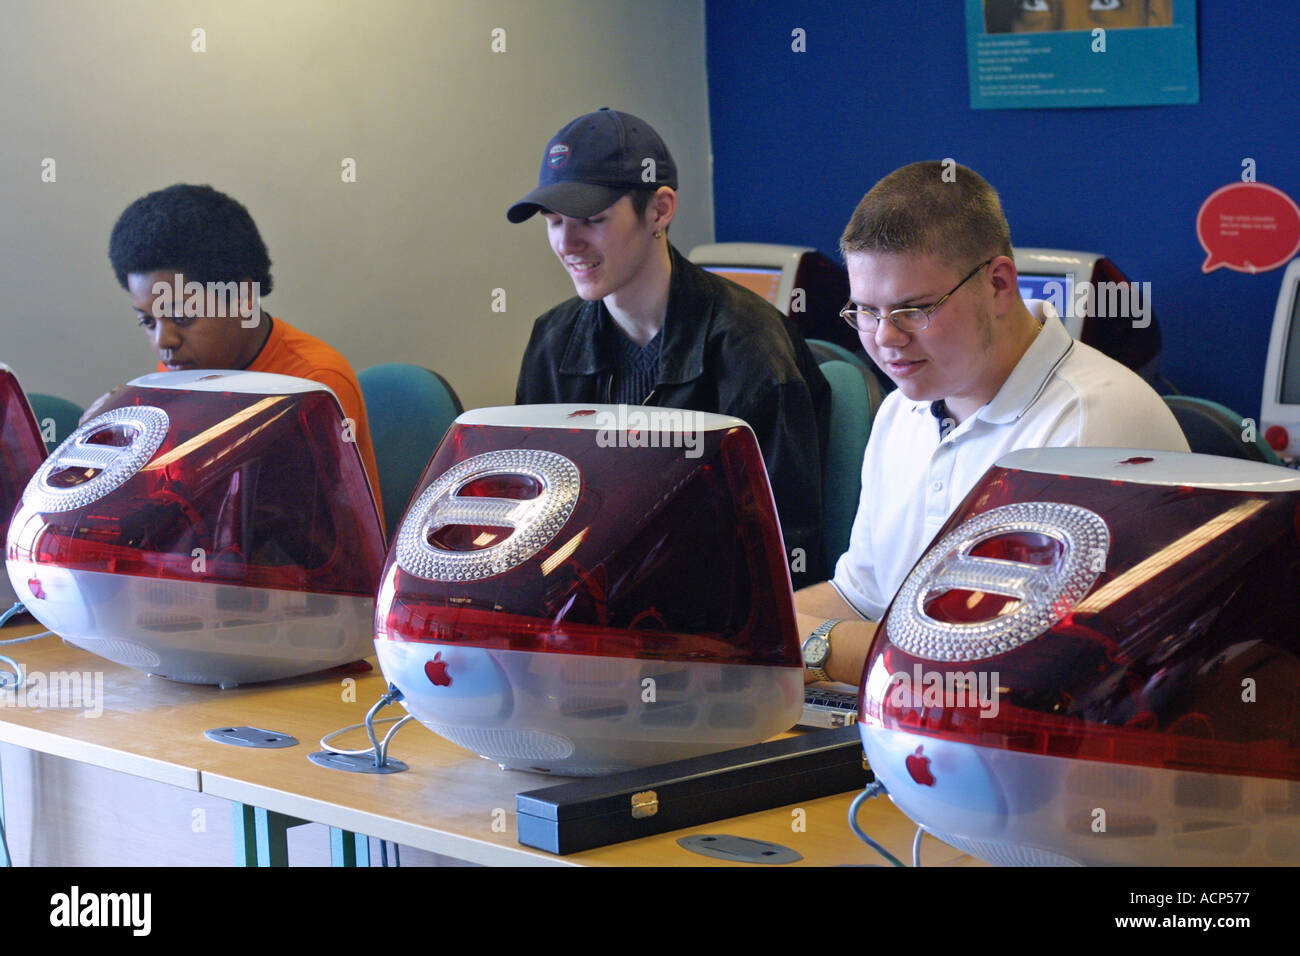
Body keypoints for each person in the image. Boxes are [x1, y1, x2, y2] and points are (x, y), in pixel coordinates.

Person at [794, 161, 1189, 686]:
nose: (885, 338)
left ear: (1000, 283)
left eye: (913, 309)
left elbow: (997, 670)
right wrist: (749, 632)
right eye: (865, 310)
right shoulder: (901, 410)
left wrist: (810, 645)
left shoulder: (1089, 425)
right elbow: (861, 597)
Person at [509, 108, 832, 585]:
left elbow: (786, 548)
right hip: (590, 608)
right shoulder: (553, 340)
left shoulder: (751, 346)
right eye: (554, 222)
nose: (567, 243)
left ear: (660, 210)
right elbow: (531, 507)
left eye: (591, 220)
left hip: (711, 619)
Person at [100, 183, 382, 507]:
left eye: (182, 317)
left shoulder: (314, 385)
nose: (164, 342)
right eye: (147, 322)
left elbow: (280, 532)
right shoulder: (182, 367)